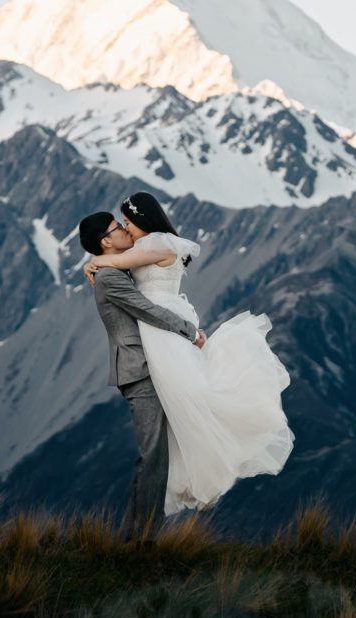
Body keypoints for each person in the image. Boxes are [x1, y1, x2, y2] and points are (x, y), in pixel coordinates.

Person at [80, 191, 294, 516]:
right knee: (180, 415)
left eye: (127, 222)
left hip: (164, 330)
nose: (126, 229)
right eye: (120, 225)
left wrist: (94, 261)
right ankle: (151, 523)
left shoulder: (155, 243)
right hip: (160, 330)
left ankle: (152, 523)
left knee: (187, 406)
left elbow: (122, 270)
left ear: (141, 220)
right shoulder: (144, 248)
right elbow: (126, 282)